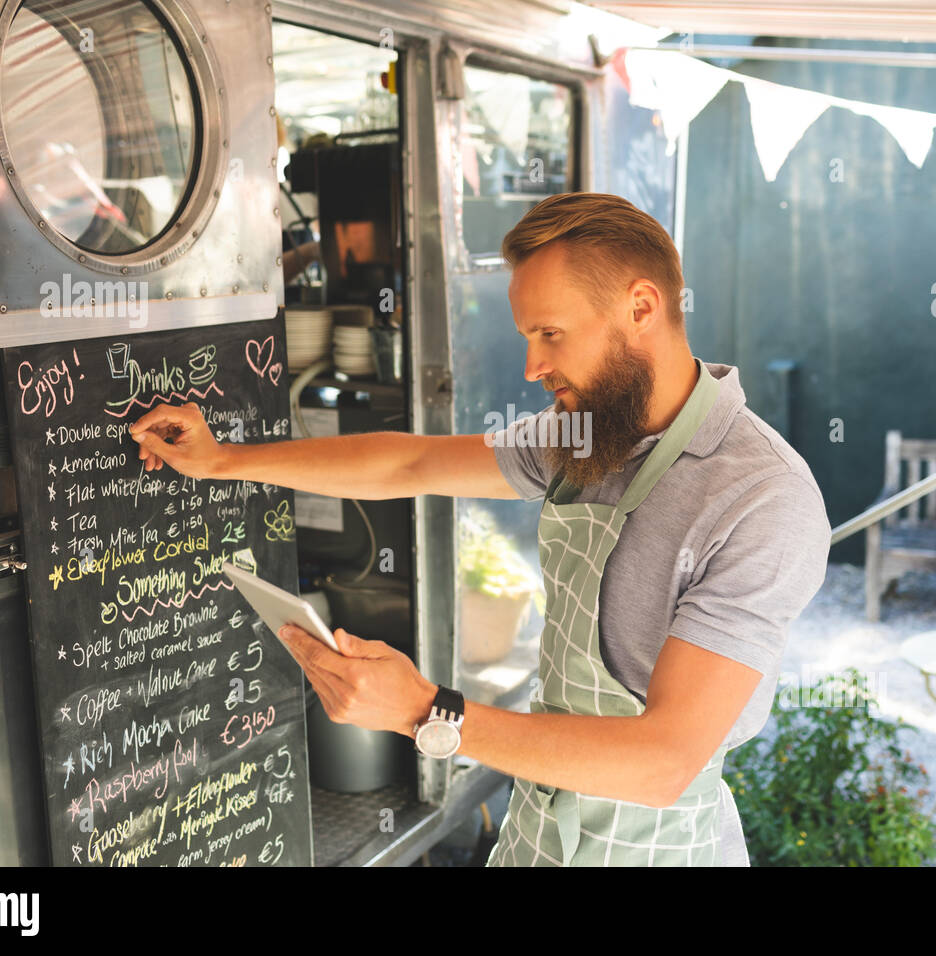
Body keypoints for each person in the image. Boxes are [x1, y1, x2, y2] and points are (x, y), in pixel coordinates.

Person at [129, 191, 831, 866]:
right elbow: (411, 462)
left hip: (659, 846)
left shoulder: (762, 497)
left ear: (641, 307)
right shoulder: (586, 434)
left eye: (550, 334)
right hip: (539, 832)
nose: (533, 367)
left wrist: (427, 712)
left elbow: (663, 763)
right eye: (527, 337)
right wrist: (223, 460)